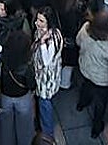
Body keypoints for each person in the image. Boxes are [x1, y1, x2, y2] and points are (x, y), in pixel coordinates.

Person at [75, 10, 108, 139]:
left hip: (86, 69)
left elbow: (77, 41)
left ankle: (81, 104)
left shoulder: (85, 30)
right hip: (101, 79)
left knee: (86, 88)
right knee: (100, 104)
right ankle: (96, 128)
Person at [30, 9, 63, 139]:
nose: (37, 23)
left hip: (47, 79)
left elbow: (46, 61)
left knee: (45, 104)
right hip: (41, 76)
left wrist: (43, 42)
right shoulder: (41, 31)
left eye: (41, 21)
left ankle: (47, 135)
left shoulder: (52, 38)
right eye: (37, 19)